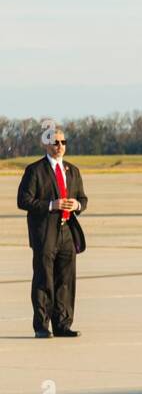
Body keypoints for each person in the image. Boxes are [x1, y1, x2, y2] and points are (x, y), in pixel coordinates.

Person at [17, 127, 86, 338]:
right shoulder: (35, 170)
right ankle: (41, 326)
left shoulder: (72, 171)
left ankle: (62, 324)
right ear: (46, 144)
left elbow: (83, 199)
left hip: (67, 231)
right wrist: (51, 204)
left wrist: (77, 205)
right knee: (43, 278)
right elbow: (24, 201)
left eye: (63, 142)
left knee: (66, 280)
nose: (60, 146)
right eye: (55, 142)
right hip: (45, 233)